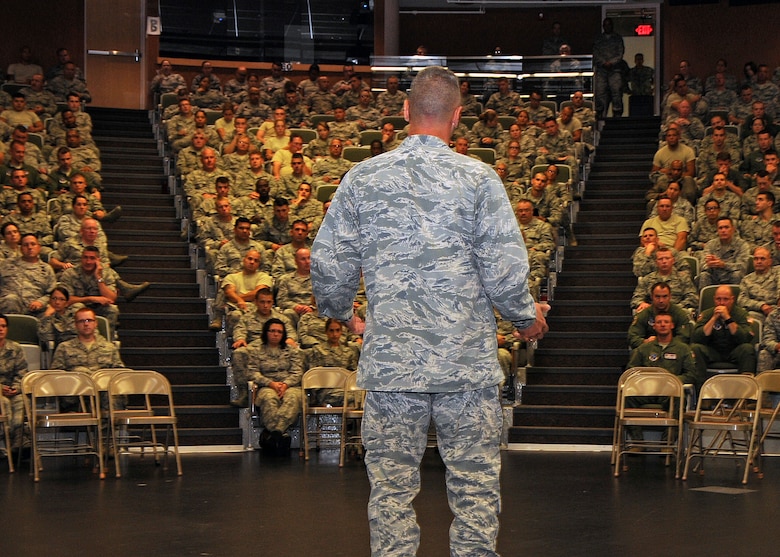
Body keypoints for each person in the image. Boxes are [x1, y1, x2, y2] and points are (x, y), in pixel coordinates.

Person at [311, 66, 547, 557]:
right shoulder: (480, 181)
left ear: (405, 112)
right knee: (475, 491)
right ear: (457, 117)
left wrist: (341, 313)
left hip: (393, 368)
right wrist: (526, 319)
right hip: (466, 370)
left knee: (392, 493)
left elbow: (328, 264)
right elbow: (504, 270)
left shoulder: (362, 178)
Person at [246, 318, 303, 455]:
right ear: (266, 332)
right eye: (272, 331)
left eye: (279, 332)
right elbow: (252, 372)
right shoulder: (256, 350)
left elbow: (298, 371)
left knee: (293, 397)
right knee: (269, 398)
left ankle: (274, 433)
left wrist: (286, 384)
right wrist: (270, 383)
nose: (276, 334)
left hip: (289, 386)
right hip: (266, 386)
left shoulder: (292, 351)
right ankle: (280, 434)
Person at [690, 284, 757, 376]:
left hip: (734, 350)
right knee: (695, 348)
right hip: (713, 351)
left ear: (732, 299)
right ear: (714, 299)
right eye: (718, 299)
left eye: (725, 299)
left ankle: (747, 385)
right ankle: (700, 386)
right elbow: (697, 337)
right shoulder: (706, 314)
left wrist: (728, 318)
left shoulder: (741, 314)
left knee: (747, 348)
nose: (721, 303)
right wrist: (713, 318)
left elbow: (745, 338)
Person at [626, 311, 700, 388]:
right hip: (647, 390)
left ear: (672, 325)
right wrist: (646, 381)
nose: (663, 325)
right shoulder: (643, 348)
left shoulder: (683, 349)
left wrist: (672, 380)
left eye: (666, 322)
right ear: (654, 326)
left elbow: (691, 375)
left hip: (672, 390)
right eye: (659, 322)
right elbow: (631, 371)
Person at [49, 306, 124, 373]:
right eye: (81, 321)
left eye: (89, 320)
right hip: (75, 386)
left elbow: (119, 375)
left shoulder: (110, 348)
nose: (86, 324)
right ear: (76, 325)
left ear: (95, 323)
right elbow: (56, 376)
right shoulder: (64, 348)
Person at [0, 234, 56, 316]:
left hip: (35, 311)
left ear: (39, 247)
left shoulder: (46, 269)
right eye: (26, 245)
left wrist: (40, 302)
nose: (30, 247)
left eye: (33, 244)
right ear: (21, 248)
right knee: (11, 299)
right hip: (7, 309)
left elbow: (52, 294)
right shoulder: (7, 264)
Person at [628, 282, 692, 351]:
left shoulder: (679, 314)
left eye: (665, 296)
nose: (661, 300)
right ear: (652, 297)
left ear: (670, 297)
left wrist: (666, 343)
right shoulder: (644, 314)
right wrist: (644, 342)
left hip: (674, 350)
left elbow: (684, 337)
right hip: (649, 349)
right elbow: (633, 337)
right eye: (657, 296)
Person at [699, 216, 751, 288]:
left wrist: (724, 265)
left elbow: (742, 266)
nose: (723, 230)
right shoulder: (710, 245)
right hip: (715, 276)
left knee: (737, 274)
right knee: (704, 275)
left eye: (726, 227)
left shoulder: (742, 245)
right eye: (720, 228)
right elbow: (702, 265)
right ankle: (704, 298)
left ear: (733, 229)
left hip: (732, 276)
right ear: (717, 230)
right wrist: (710, 264)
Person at [0, 312, 28, 449]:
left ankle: (18, 446)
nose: (1, 329)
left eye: (3, 326)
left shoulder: (15, 348)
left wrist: (16, 388)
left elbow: (22, 373)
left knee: (21, 401)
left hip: (12, 391)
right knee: (3, 402)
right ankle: (6, 444)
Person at [593, 17, 624, 119]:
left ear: (612, 26)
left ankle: (617, 113)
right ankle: (601, 113)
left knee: (616, 91)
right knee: (600, 92)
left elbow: (620, 53)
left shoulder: (617, 38)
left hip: (615, 70)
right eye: (605, 25)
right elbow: (595, 53)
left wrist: (611, 62)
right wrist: (603, 62)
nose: (607, 27)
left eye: (609, 24)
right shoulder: (598, 39)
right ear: (603, 26)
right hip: (601, 70)